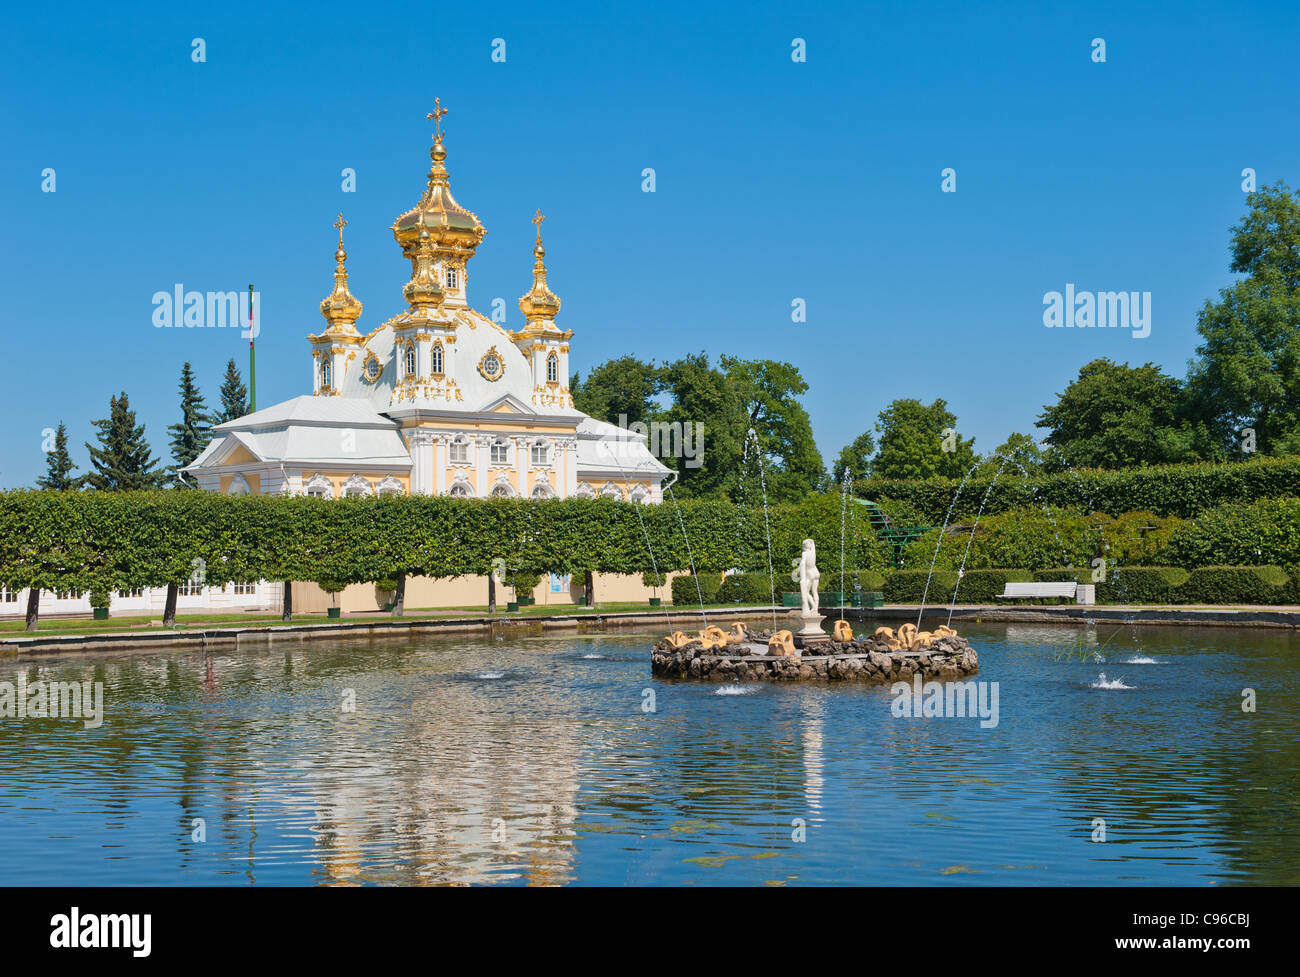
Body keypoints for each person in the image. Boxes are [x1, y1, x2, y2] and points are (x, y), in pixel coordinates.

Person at [798, 538, 820, 615]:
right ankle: (816, 610)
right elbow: (813, 543)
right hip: (816, 572)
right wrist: (811, 541)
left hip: (810, 574)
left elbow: (803, 564)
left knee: (806, 592)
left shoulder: (804, 553)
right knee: (814, 591)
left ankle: (814, 606)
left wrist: (802, 575)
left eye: (805, 544)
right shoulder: (813, 552)